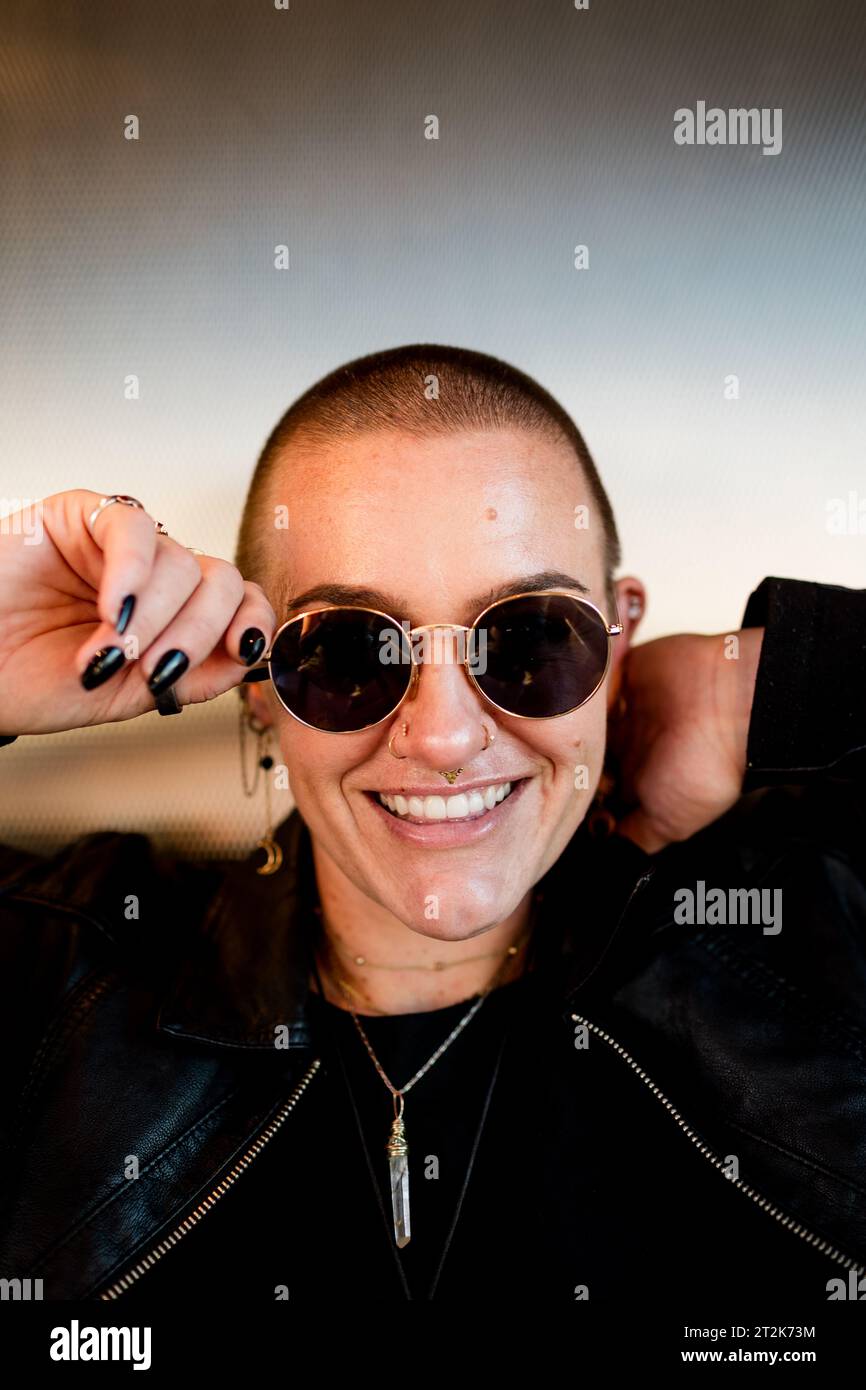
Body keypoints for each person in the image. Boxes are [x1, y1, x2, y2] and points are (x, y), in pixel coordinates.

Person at [0, 344, 863, 1306]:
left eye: (533, 633)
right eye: (348, 649)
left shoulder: (817, 931)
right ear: (255, 689)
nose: (446, 736)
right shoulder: (57, 976)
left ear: (618, 642)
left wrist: (768, 686)